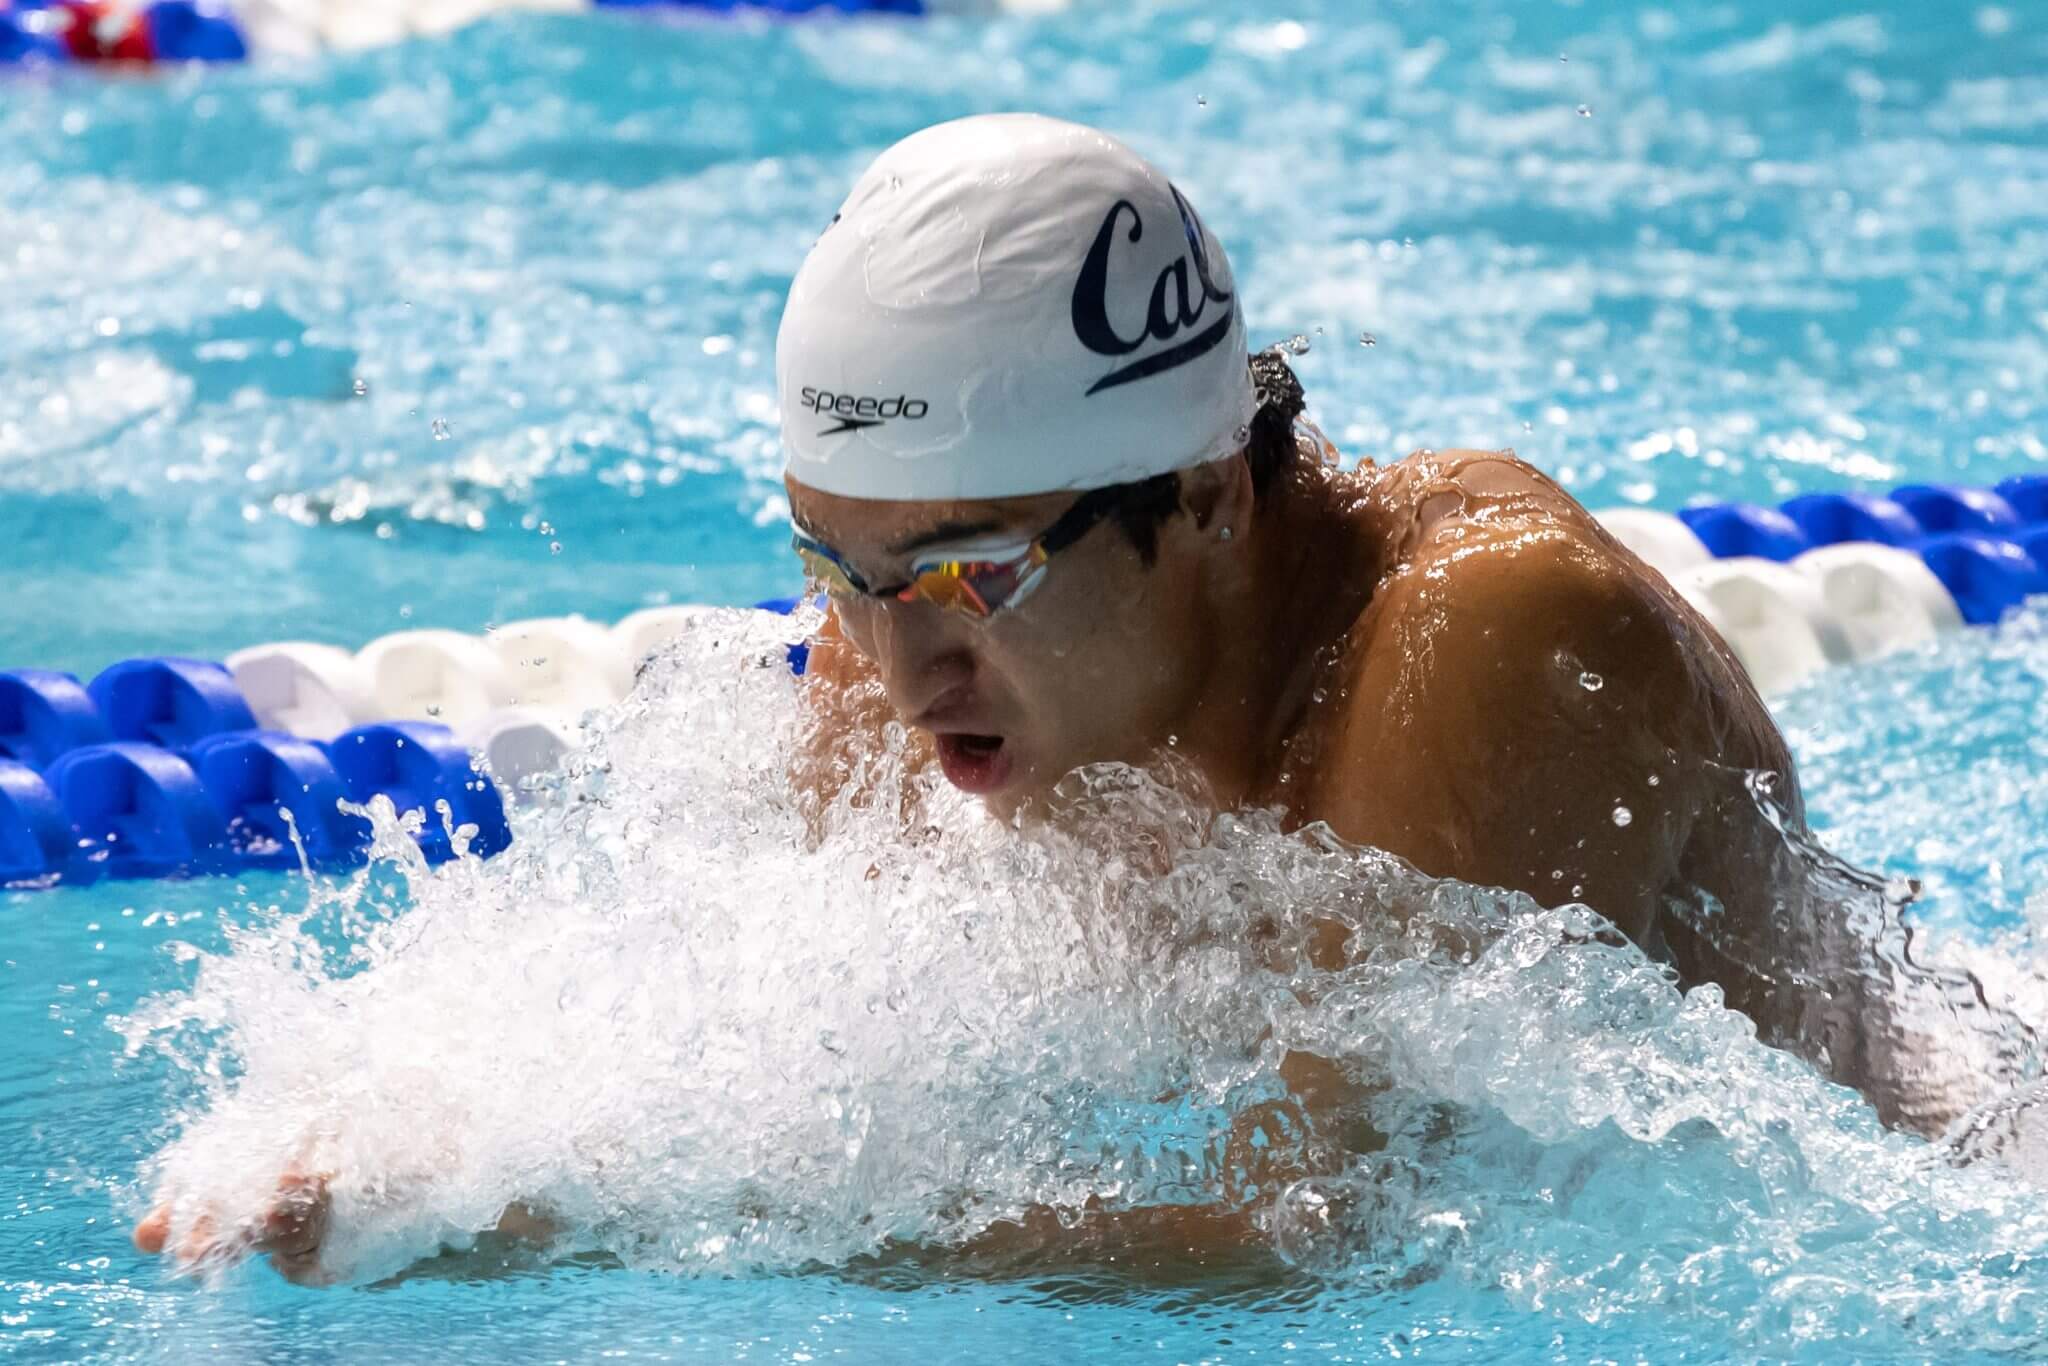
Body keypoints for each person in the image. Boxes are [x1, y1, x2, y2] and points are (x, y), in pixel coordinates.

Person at [134, 113, 1966, 1284]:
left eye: (966, 572)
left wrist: (594, 1224)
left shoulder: (1484, 645)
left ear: (1214, 496)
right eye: (835, 569)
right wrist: (423, 1134)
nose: (898, 664)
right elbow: (725, 1031)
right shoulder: (948, 668)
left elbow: (1313, 1231)